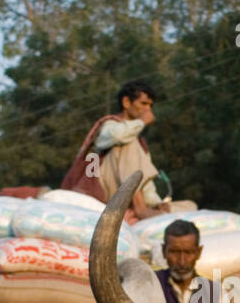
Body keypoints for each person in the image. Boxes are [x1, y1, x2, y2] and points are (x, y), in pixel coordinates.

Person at [60, 80, 175, 222]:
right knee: (127, 142)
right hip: (97, 185)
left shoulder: (138, 138)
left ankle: (144, 206)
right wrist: (141, 122)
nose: (148, 110)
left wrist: (157, 203)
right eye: (143, 104)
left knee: (186, 206)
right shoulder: (111, 125)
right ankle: (140, 207)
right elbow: (116, 136)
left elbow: (143, 178)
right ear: (126, 102)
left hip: (126, 189)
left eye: (150, 106)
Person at [156, 220, 226, 303]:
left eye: (188, 252)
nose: (182, 262)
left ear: (198, 252)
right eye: (174, 252)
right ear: (163, 251)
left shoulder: (215, 292)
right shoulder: (152, 285)